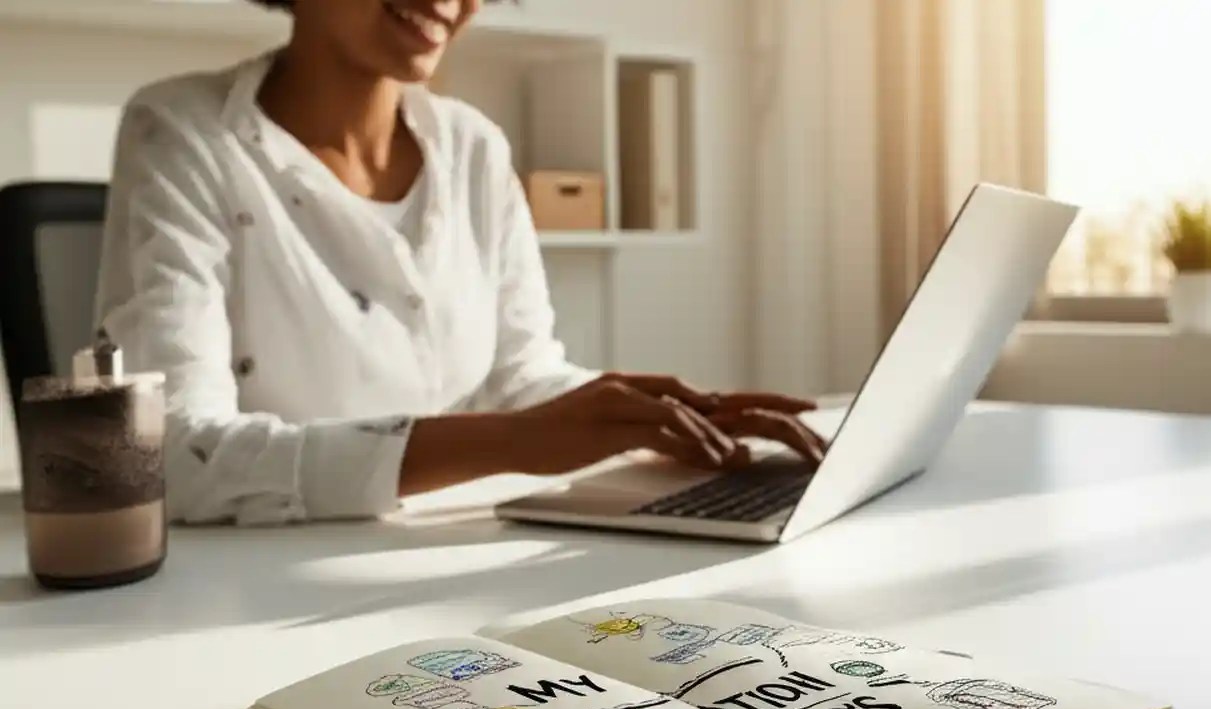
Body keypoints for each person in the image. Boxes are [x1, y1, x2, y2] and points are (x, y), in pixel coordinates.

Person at [95, 0, 826, 526]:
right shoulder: (183, 133)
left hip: (435, 553)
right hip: (245, 586)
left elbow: (521, 380)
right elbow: (172, 454)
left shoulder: (473, 146)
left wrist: (654, 421)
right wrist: (517, 442)